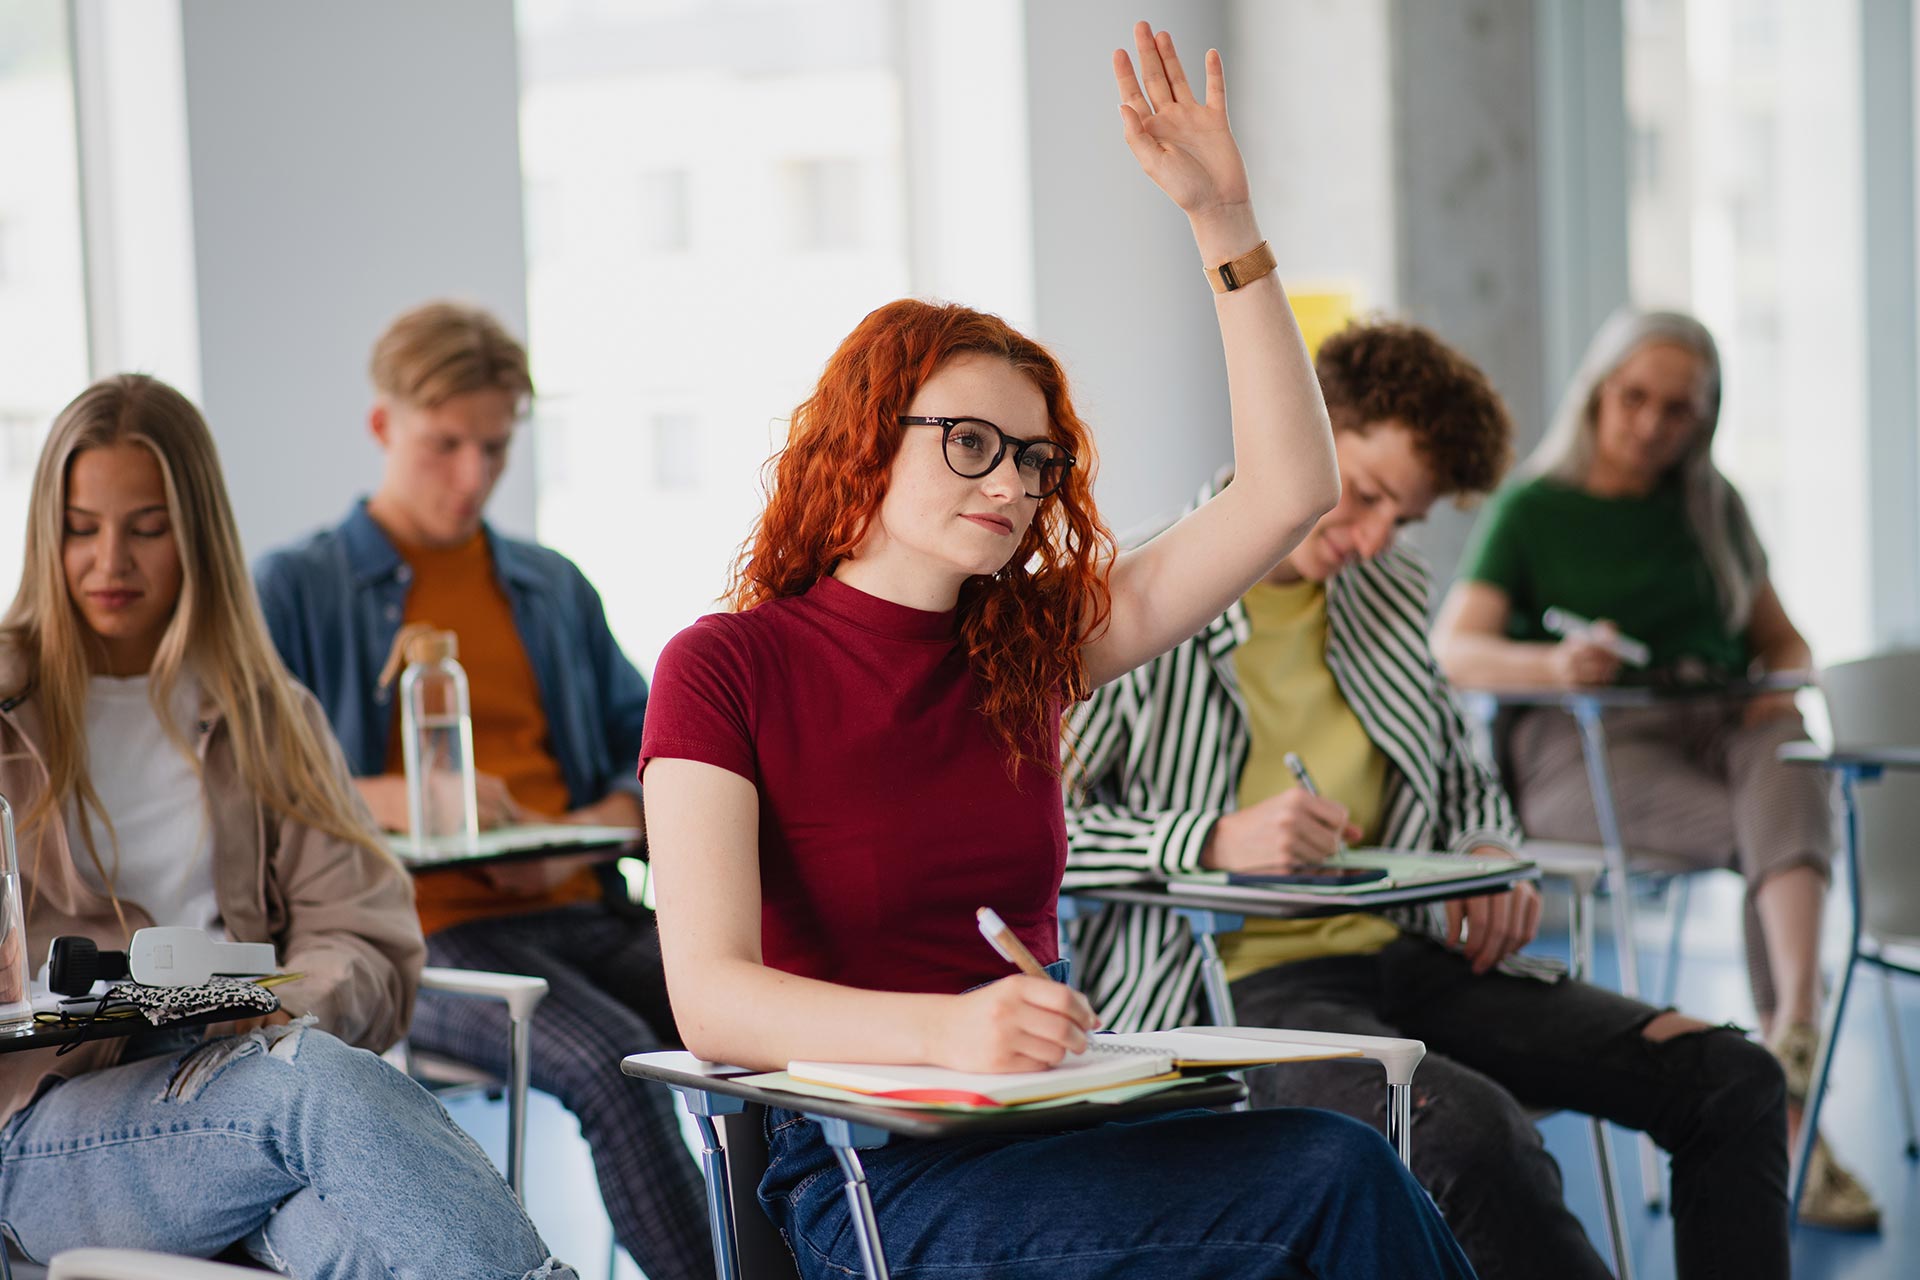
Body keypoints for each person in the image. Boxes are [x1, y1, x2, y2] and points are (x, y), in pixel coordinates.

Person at [639, 25, 1475, 1280]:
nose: (1011, 483)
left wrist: (1223, 220)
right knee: (1330, 1181)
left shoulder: (1027, 648)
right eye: (970, 442)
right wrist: (951, 1032)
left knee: (1333, 1163)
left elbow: (1288, 488)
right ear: (867, 438)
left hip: (1063, 1116)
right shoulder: (723, 667)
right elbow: (710, 995)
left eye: (1034, 458)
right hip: (877, 1171)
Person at [1062, 319, 1790, 1277]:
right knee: (1473, 1136)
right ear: (1295, 437)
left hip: (1415, 957)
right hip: (1237, 992)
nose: (1372, 539)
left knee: (1731, 1075)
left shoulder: (1390, 589)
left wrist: (1490, 851)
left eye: (1401, 519)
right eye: (1362, 495)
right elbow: (1040, 833)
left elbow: (1462, 773)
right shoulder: (1133, 592)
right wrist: (1212, 840)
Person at [0, 374, 572, 1278]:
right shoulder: (6, 715)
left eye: (147, 529)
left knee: (361, 1243)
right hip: (51, 1128)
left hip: (243, 1080)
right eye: (80, 528)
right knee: (321, 1087)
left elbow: (363, 935)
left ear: (197, 536)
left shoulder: (268, 715)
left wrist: (289, 1003)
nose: (111, 561)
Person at [253, 302, 710, 1278]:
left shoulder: (550, 586)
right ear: (383, 425)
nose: (472, 476)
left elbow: (662, 761)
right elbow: (249, 786)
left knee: (759, 1013)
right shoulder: (296, 588)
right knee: (614, 1060)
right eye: (445, 444)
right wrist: (399, 796)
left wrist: (584, 828)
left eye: (495, 448)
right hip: (427, 936)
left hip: (583, 907)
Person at [1429, 306, 1875, 1232]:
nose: (1651, 425)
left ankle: (1792, 1027)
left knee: (1788, 742)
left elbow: (1785, 642)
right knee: (1779, 837)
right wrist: (1554, 666)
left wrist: (1775, 686)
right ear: (1598, 392)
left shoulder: (1712, 506)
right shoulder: (1533, 508)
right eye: (1635, 398)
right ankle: (1798, 1105)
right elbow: (1455, 650)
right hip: (1585, 753)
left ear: (1705, 418)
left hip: (1715, 734)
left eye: (1679, 410)